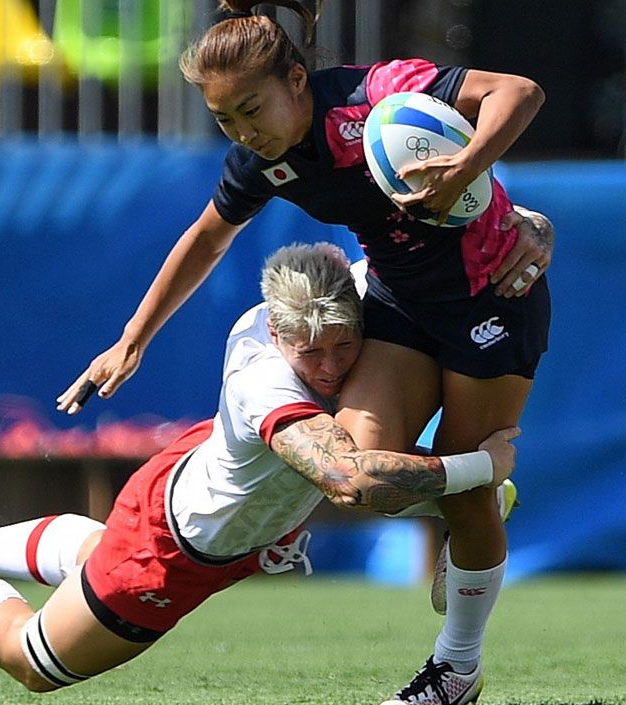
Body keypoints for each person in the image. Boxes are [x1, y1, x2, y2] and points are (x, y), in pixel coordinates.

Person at [54, 4, 554, 704]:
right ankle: (483, 484)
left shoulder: (375, 94)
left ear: (296, 78)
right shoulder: (264, 162)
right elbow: (206, 238)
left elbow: (518, 91)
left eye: (251, 109)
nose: (243, 132)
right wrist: (130, 339)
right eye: (225, 120)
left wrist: (471, 165)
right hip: (399, 302)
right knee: (364, 472)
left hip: (492, 297)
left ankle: (457, 669)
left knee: (465, 505)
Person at [0, 243, 520, 697]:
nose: (330, 368)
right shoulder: (268, 380)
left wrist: (523, 237)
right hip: (171, 549)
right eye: (311, 351)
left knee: (89, 552)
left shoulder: (339, 291)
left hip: (195, 478)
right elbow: (351, 480)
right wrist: (478, 468)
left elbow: (437, 245)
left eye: (342, 346)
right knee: (34, 657)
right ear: (274, 328)